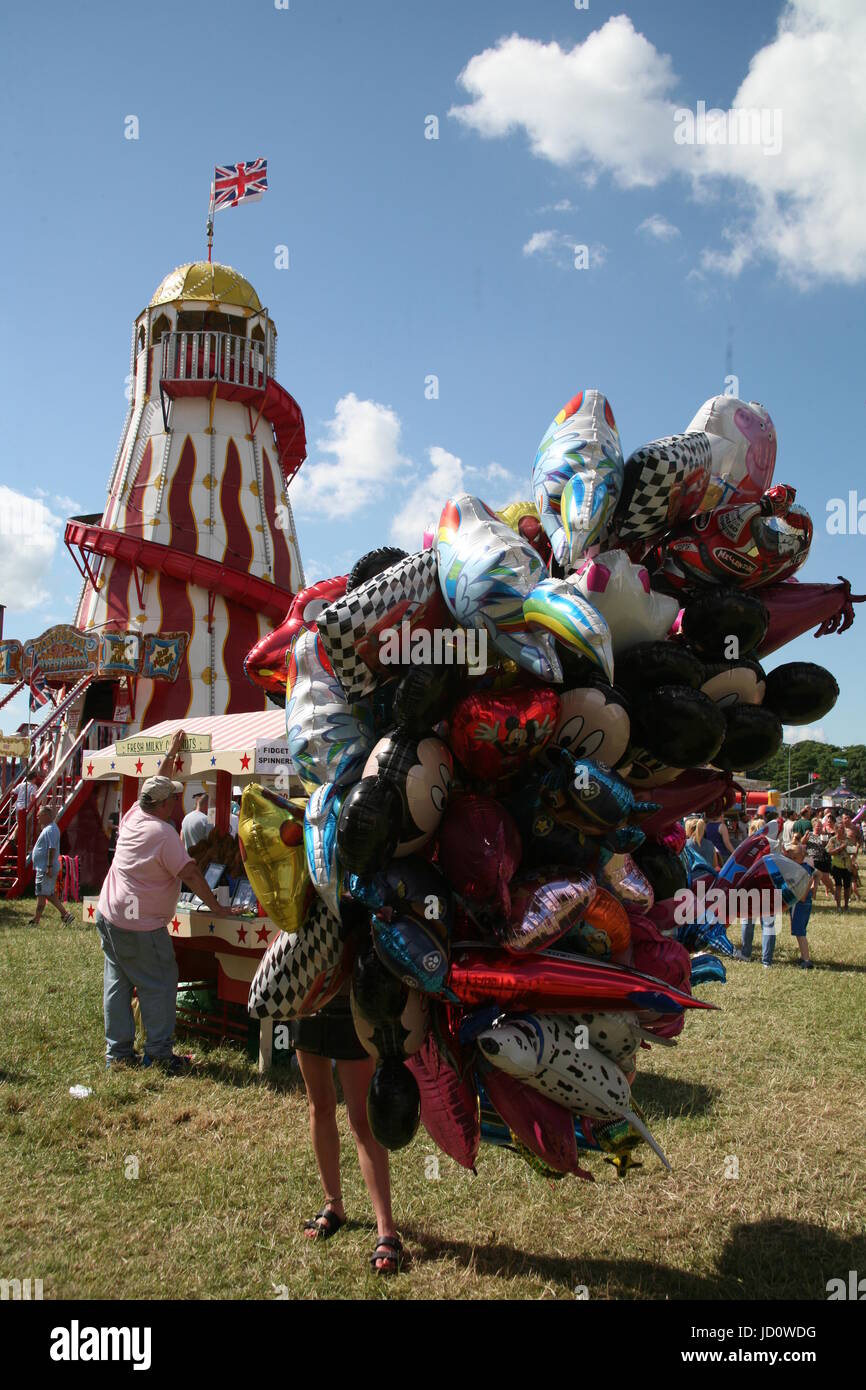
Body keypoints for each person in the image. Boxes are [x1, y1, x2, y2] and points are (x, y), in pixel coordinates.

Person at [94, 730, 239, 1072]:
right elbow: (190, 874)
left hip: (110, 913)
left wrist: (172, 754)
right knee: (159, 981)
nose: (177, 801)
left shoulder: (133, 816)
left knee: (118, 982)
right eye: (173, 799)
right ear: (162, 806)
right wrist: (218, 908)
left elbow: (156, 783)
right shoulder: (163, 834)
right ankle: (159, 1054)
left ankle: (118, 1055)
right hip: (140, 923)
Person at [291, 988, 405, 1275]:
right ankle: (334, 1206)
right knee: (319, 1105)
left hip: (352, 1002)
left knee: (362, 1119)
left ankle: (386, 1230)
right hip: (307, 997)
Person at [28, 806, 74, 927]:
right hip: (43, 867)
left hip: (45, 868)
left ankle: (36, 921)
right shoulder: (48, 828)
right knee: (47, 893)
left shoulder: (51, 829)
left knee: (42, 893)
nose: (37, 818)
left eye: (39, 816)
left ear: (46, 815)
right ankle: (65, 915)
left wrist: (48, 866)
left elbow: (51, 848)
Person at [782, 833, 815, 969]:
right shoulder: (805, 867)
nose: (791, 860)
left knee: (800, 932)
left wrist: (803, 895)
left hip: (800, 903)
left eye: (793, 858)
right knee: (799, 930)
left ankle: (806, 960)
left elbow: (810, 881)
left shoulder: (799, 870)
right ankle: (803, 956)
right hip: (805, 903)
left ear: (799, 858)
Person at [827, 822, 854, 912]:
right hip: (836, 865)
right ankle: (838, 906)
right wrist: (841, 848)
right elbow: (829, 852)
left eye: (843, 828)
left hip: (847, 866)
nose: (842, 830)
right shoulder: (833, 840)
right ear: (836, 829)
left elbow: (852, 851)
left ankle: (846, 906)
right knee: (838, 886)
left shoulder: (848, 839)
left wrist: (854, 851)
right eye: (840, 828)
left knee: (847, 887)